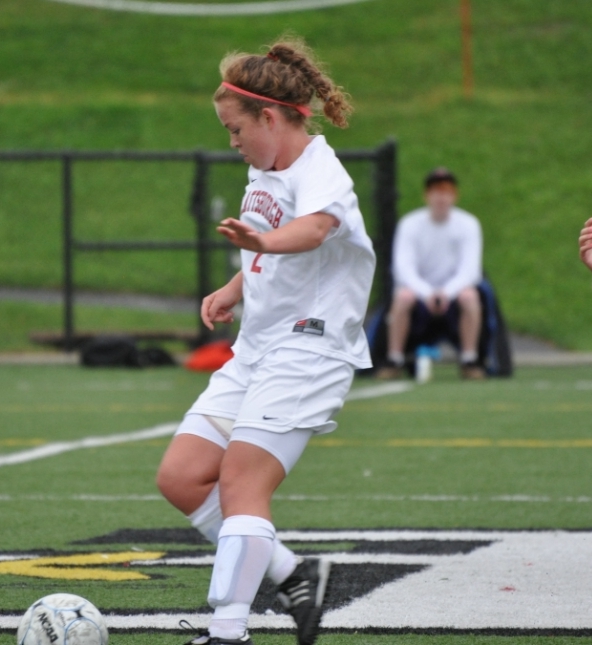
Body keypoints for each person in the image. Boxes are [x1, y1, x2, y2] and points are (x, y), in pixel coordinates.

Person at [156, 38, 375, 645]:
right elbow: (271, 243)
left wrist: (260, 247)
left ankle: (228, 632)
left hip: (311, 349)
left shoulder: (321, 169)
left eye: (235, 129)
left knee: (241, 484)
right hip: (257, 348)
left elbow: (313, 229)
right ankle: (291, 572)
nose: (233, 142)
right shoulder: (265, 168)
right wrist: (234, 287)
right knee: (180, 477)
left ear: (271, 119)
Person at [377, 168, 485, 380]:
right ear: (427, 195)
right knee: (402, 297)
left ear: (454, 195)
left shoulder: (469, 224)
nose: (441, 196)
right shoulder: (409, 224)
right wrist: (428, 294)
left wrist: (446, 293)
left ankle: (469, 360)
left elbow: (470, 271)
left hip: (453, 296)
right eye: (436, 190)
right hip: (419, 296)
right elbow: (403, 269)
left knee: (470, 297)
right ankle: (394, 359)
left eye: (446, 190)